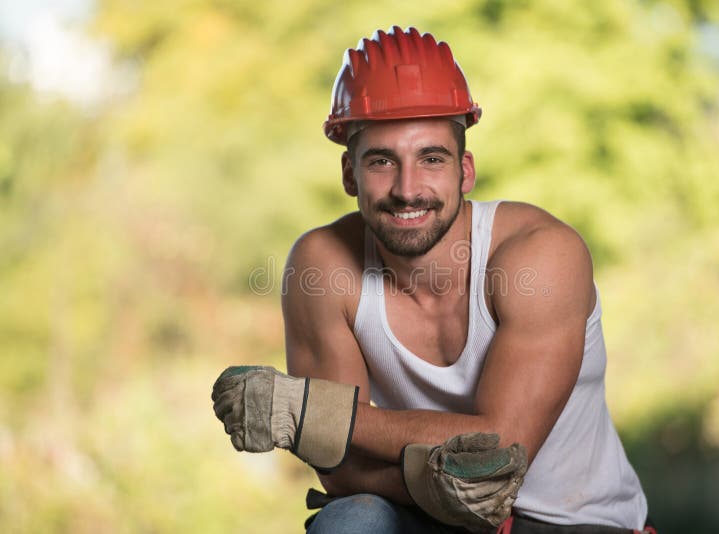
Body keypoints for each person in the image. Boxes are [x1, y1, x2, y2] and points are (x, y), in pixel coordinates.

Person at [212, 26, 654, 534]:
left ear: (465, 171)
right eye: (381, 161)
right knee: (350, 522)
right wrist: (421, 482)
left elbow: (499, 455)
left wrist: (306, 409)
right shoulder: (322, 266)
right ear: (349, 174)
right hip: (424, 514)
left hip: (575, 522)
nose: (407, 189)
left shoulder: (540, 256)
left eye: (431, 159)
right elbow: (340, 468)